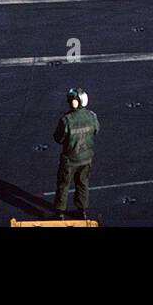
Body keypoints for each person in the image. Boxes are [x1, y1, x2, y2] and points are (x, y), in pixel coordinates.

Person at [52, 87, 99, 219]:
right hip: (86, 159)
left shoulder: (66, 120)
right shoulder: (92, 116)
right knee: (83, 183)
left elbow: (58, 138)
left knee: (63, 185)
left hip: (70, 160)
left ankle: (60, 212)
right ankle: (82, 211)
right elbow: (96, 130)